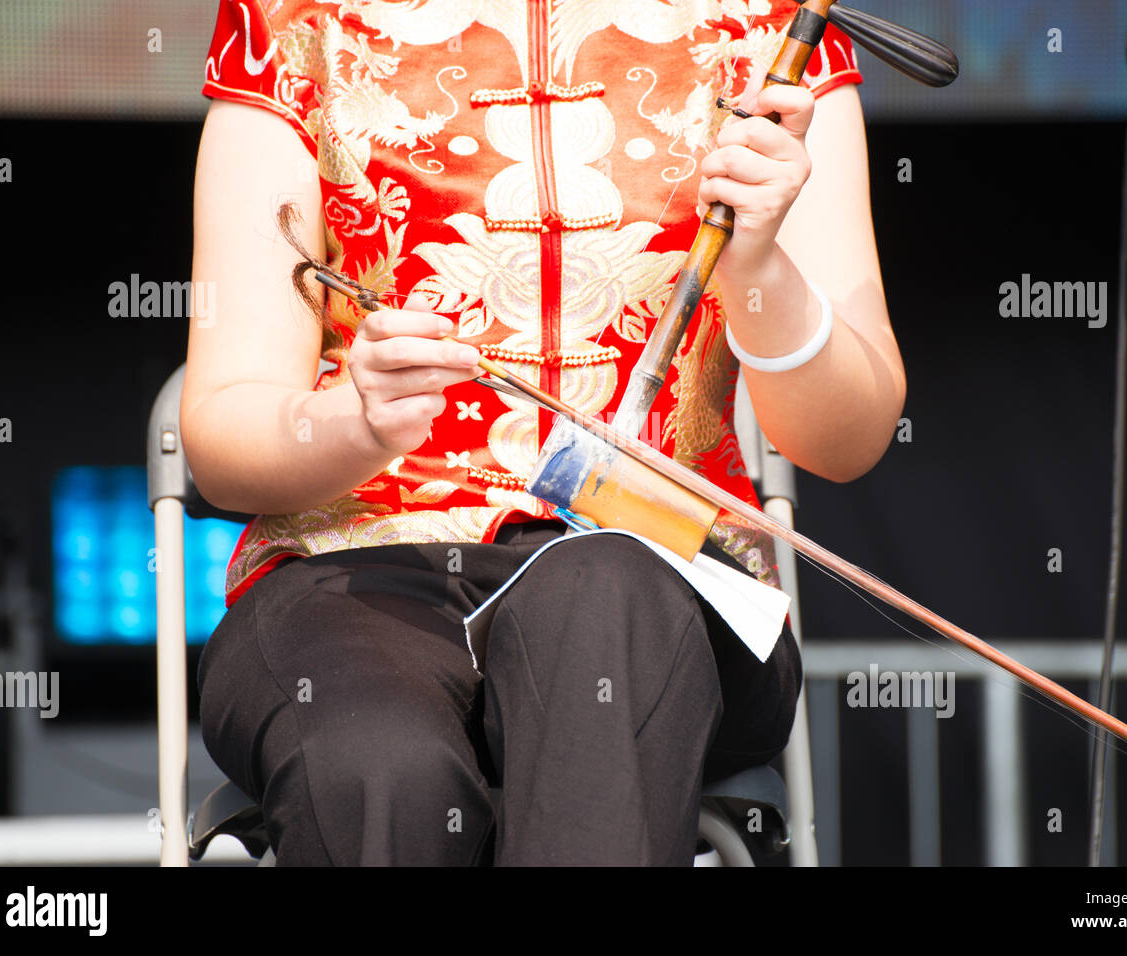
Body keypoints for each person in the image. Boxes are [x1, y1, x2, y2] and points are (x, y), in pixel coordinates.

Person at [184, 0, 905, 865]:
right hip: (353, 580)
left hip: (660, 575)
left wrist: (760, 264)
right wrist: (353, 422)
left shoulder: (768, 28)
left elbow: (851, 437)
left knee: (598, 592)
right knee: (378, 762)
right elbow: (224, 432)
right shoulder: (292, 21)